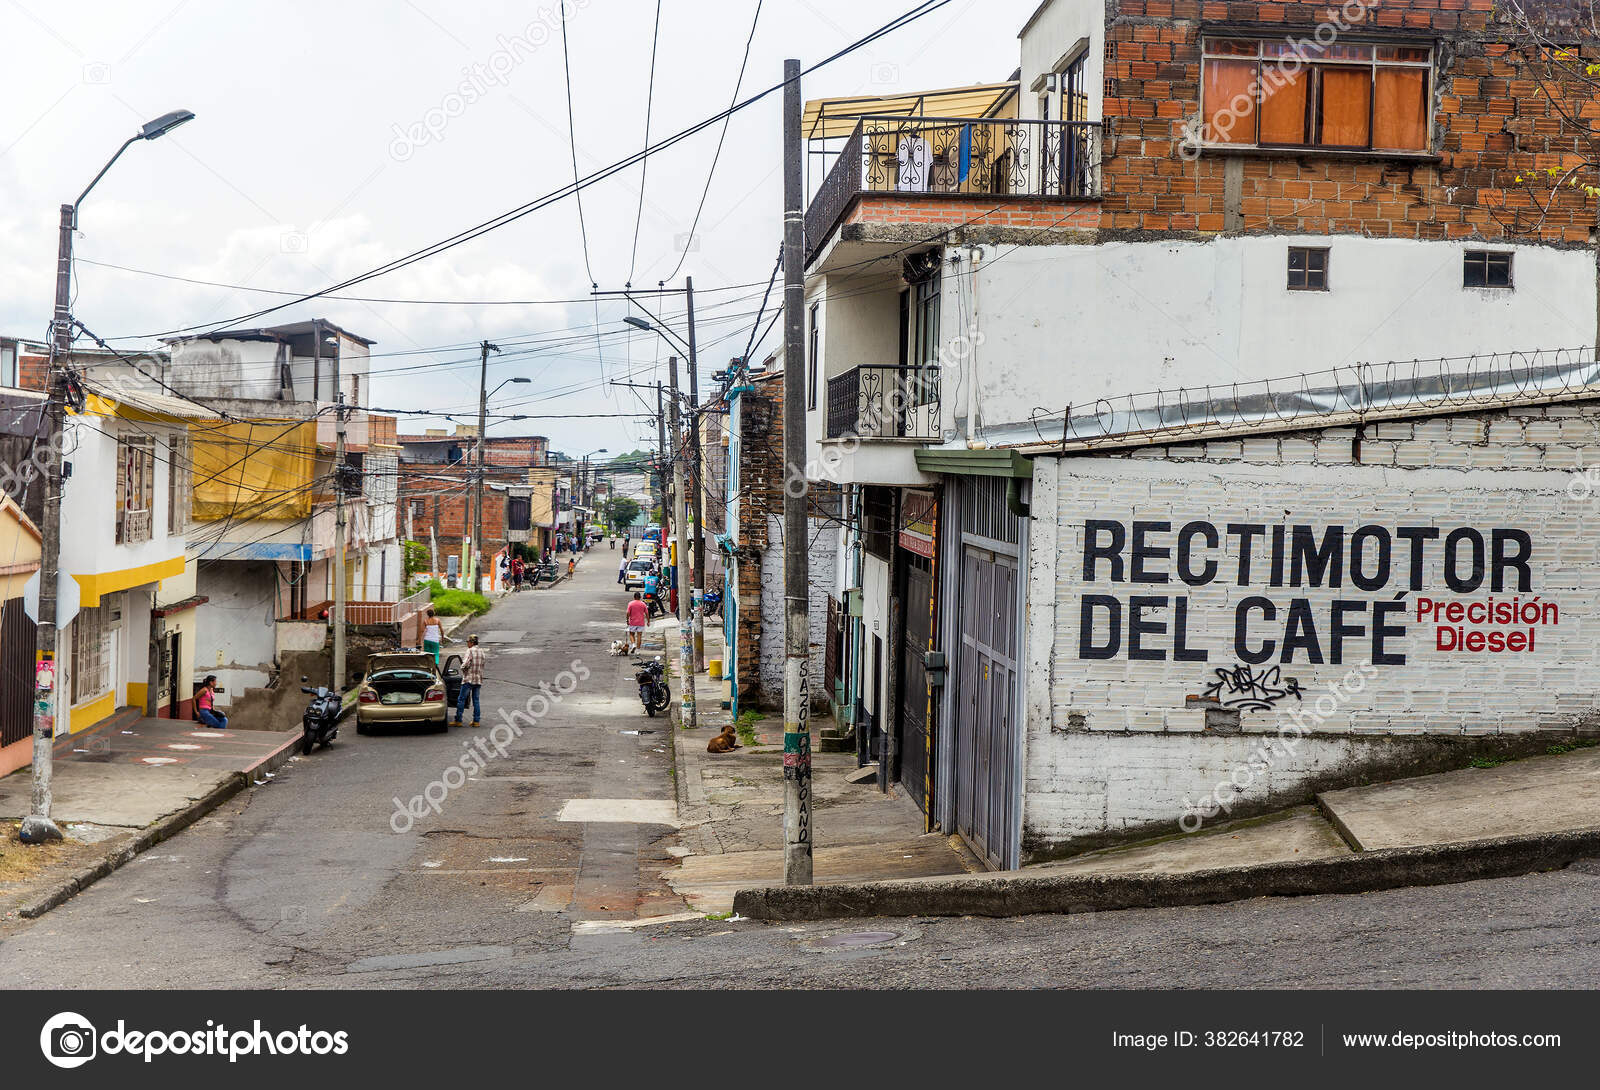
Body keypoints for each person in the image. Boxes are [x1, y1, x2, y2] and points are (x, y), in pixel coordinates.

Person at [454, 634, 485, 728]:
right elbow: (483, 664)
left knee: (461, 699)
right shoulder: (481, 651)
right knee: (476, 700)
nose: (467, 644)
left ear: (471, 642)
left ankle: (458, 720)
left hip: (468, 679)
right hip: (478, 679)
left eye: (468, 642)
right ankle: (476, 721)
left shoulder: (470, 651)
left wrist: (463, 668)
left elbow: (465, 664)